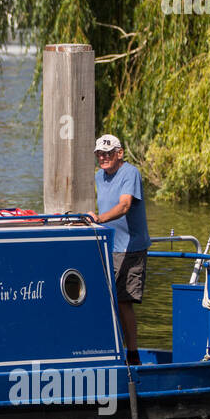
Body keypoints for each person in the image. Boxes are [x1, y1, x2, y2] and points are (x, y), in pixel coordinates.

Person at [85, 134, 149, 365]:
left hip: (130, 248)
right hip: (108, 246)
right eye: (99, 154)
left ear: (119, 154)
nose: (103, 158)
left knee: (123, 301)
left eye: (107, 153)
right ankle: (108, 351)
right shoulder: (99, 177)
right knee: (105, 300)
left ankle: (133, 356)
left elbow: (124, 205)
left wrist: (100, 218)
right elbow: (105, 205)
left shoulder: (130, 173)